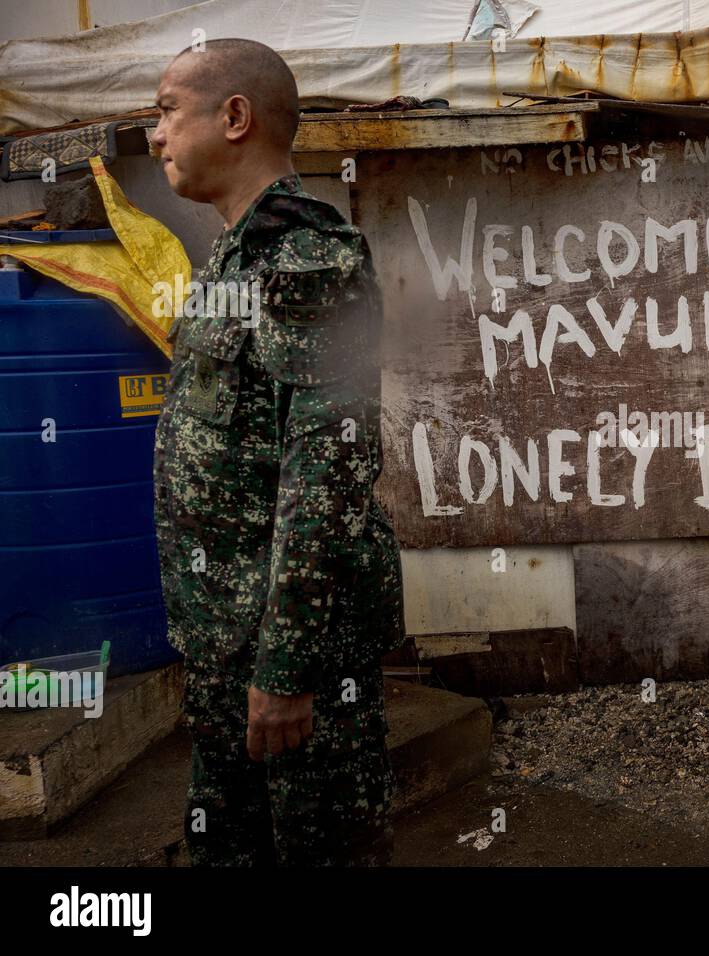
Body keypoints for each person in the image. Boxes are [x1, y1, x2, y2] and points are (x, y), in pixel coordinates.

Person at [151, 38, 405, 863]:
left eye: (165, 111)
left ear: (234, 117)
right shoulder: (232, 257)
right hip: (226, 647)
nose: (153, 135)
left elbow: (325, 475)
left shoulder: (307, 260)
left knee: (319, 847)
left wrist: (289, 669)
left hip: (289, 660)